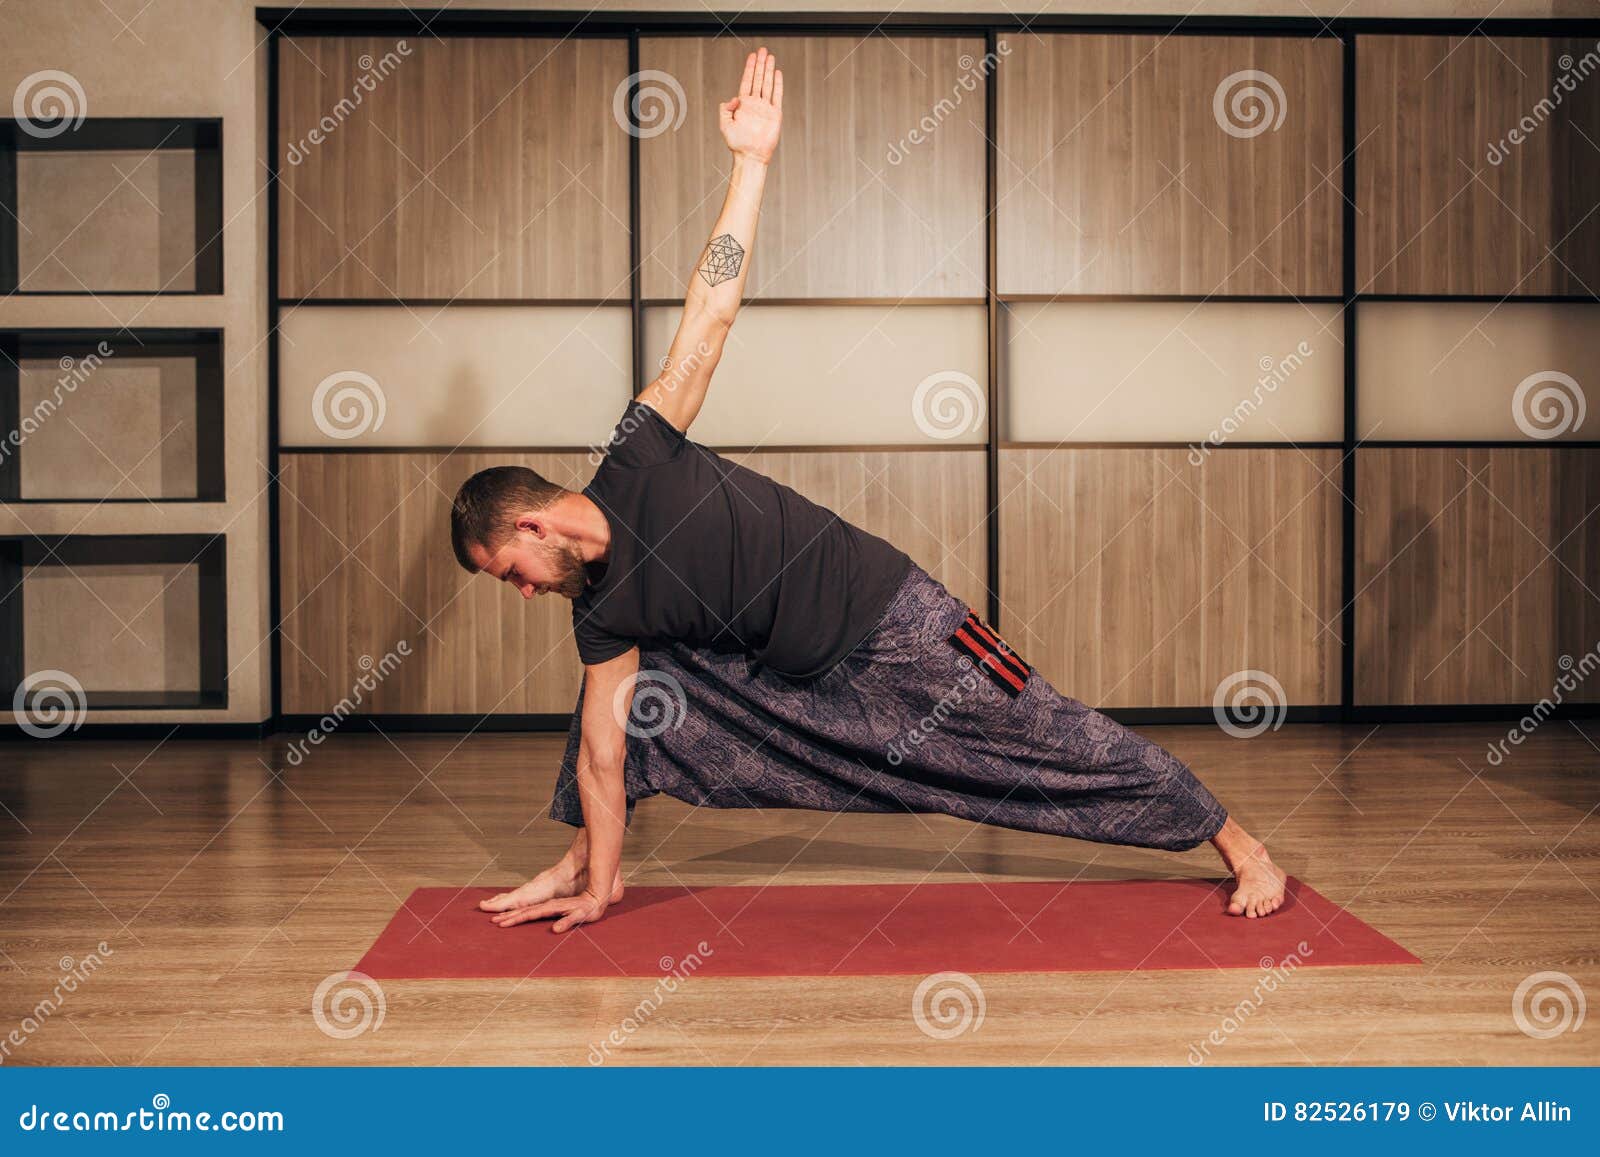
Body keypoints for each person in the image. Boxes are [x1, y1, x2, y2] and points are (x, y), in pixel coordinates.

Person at [449, 48, 1287, 934]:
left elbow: (711, 310)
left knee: (1051, 730)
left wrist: (751, 163)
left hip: (896, 622)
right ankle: (587, 864)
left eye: (512, 571)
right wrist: (598, 882)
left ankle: (1236, 840)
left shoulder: (641, 454)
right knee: (619, 708)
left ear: (536, 522)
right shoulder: (602, 618)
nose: (525, 592)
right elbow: (604, 755)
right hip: (795, 681)